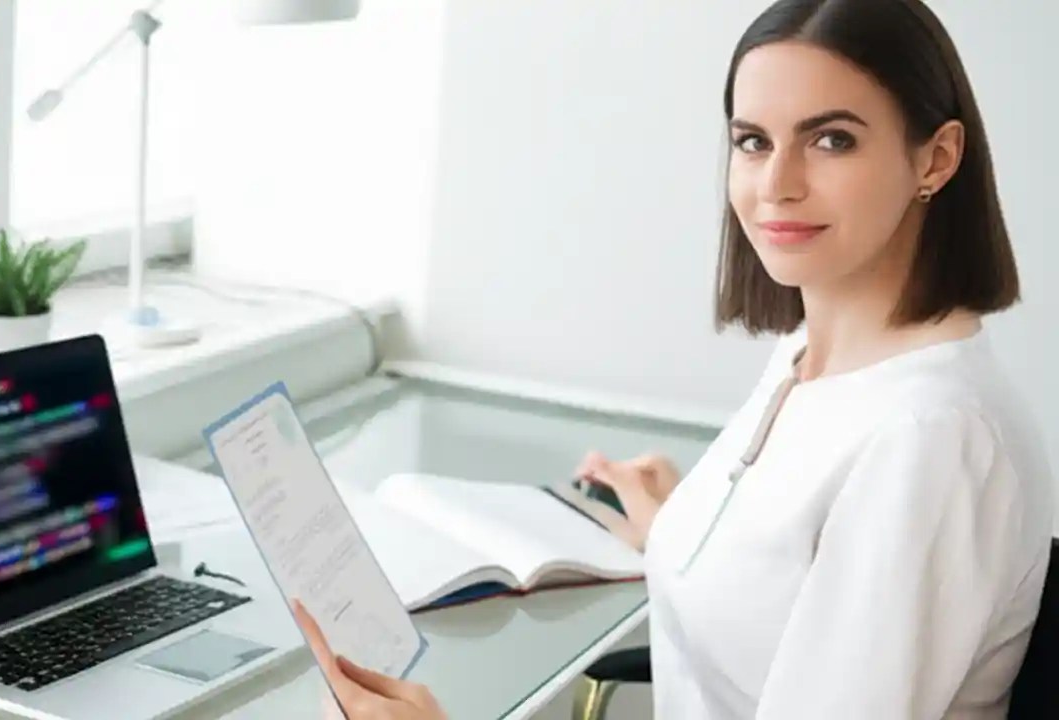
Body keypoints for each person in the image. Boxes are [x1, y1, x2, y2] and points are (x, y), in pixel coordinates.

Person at [294, 0, 1055, 717]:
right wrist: (685, 522)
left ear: (937, 158)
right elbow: (795, 580)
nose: (775, 184)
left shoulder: (932, 438)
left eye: (831, 140)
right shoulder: (810, 357)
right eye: (753, 140)